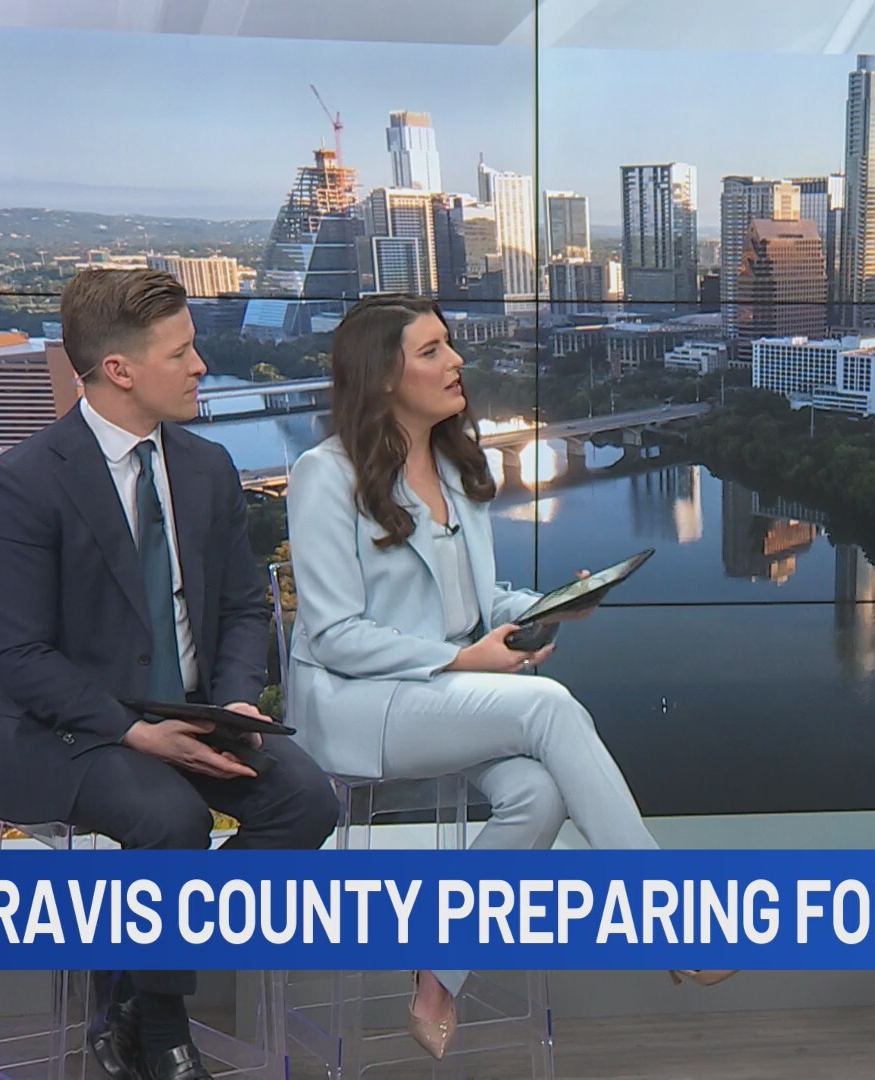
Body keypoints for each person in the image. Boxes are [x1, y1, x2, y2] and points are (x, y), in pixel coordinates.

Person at [282, 294, 732, 1060]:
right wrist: (466, 659)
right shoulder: (321, 475)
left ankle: (437, 973)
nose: (457, 361)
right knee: (548, 708)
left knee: (540, 791)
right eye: (432, 351)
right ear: (382, 376)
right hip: (360, 703)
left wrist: (547, 607)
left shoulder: (459, 462)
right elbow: (333, 635)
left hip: (444, 695)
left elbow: (477, 600)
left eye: (449, 346)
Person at [0, 269, 340, 1080]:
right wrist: (138, 733)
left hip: (190, 707)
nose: (202, 366)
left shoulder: (205, 469)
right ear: (118, 371)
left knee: (305, 799)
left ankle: (131, 984)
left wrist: (236, 702)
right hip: (61, 729)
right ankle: (163, 1029)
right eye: (183, 352)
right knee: (171, 817)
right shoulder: (22, 484)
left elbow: (244, 608)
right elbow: (20, 658)